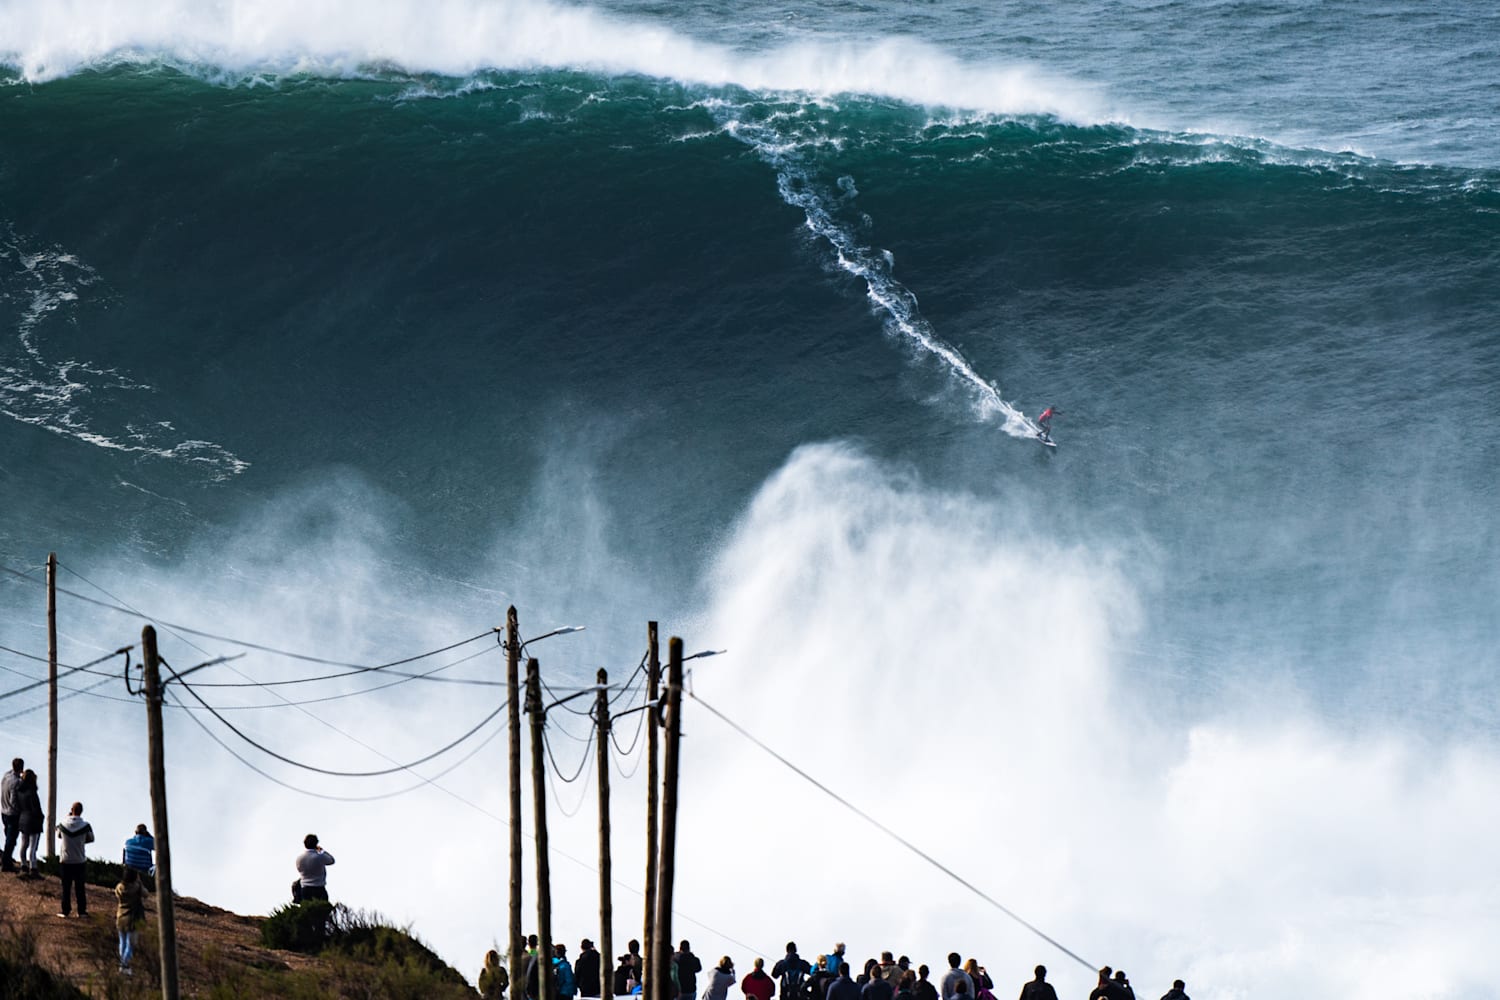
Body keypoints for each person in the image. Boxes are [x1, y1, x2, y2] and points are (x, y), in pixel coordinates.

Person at [56, 800, 95, 917]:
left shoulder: (62, 824)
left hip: (65, 860)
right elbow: (91, 838)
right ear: (81, 812)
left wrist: (66, 818)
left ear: (71, 810)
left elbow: (58, 835)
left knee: (66, 887)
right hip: (79, 859)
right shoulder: (86, 826)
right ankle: (81, 911)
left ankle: (65, 910)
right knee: (80, 888)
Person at [114, 867, 150, 975]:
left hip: (120, 917)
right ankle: (124, 965)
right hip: (132, 919)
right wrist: (140, 882)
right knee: (130, 944)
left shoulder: (119, 887)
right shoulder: (137, 887)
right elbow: (146, 894)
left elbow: (116, 894)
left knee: (122, 943)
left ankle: (122, 963)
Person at [15, 769, 43, 878]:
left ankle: (23, 864)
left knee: (24, 844)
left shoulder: (19, 791)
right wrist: (41, 817)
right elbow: (36, 809)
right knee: (32, 845)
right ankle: (33, 867)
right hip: (33, 821)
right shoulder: (32, 792)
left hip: (23, 818)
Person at [295, 833, 335, 902]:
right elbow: (331, 860)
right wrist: (322, 851)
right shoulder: (319, 857)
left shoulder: (299, 858)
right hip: (319, 888)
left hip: (305, 888)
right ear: (316, 843)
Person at [1, 757, 22, 872]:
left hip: (3, 811)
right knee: (11, 839)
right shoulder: (16, 782)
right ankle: (6, 863)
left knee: (8, 837)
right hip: (12, 814)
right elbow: (14, 802)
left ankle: (6, 859)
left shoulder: (6, 776)